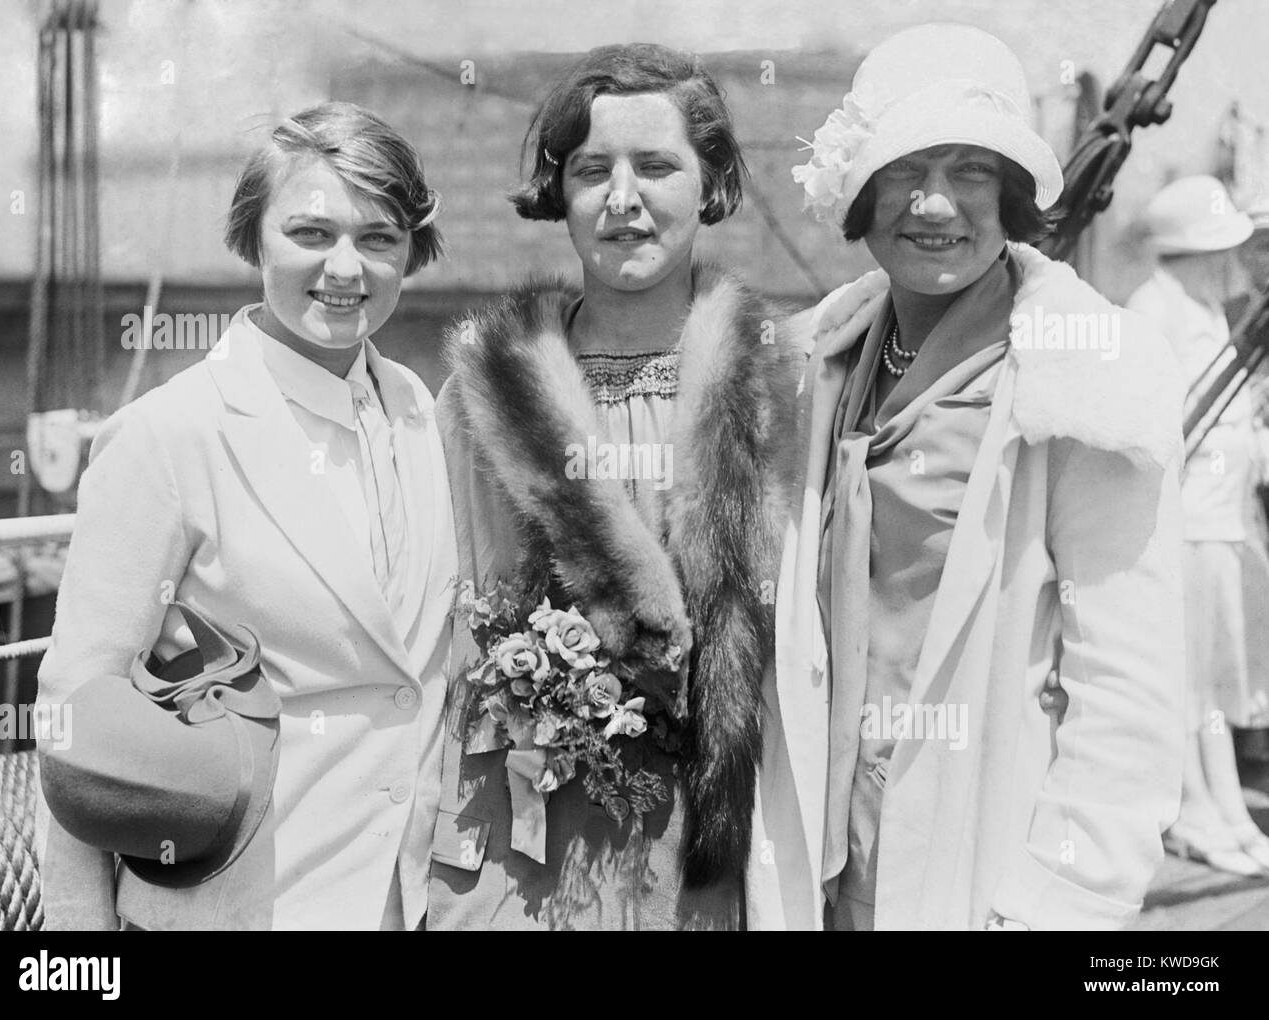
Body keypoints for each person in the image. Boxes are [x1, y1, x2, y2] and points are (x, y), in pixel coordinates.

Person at [752, 23, 1187, 930]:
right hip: (824, 878)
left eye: (972, 171)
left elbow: (1129, 686)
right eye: (906, 170)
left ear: (1016, 195)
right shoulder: (815, 363)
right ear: (860, 196)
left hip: (983, 876)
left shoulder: (1084, 374)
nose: (936, 205)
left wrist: (1061, 903)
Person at [34, 101, 457, 930]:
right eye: (310, 233)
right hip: (244, 908)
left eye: (379, 238)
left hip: (409, 900)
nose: (347, 268)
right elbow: (74, 711)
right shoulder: (169, 434)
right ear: (252, 238)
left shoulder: (414, 404)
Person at [425, 43, 807, 930]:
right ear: (558, 192)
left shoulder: (781, 382)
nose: (624, 199)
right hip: (522, 834)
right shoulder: (485, 393)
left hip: (715, 845)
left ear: (710, 185)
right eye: (593, 170)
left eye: (659, 166)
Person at [1127, 176, 1269, 874]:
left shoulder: (1206, 309)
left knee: (1211, 679)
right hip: (1181, 525)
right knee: (1181, 680)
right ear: (1196, 250)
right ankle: (1188, 809)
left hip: (1223, 522)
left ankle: (1226, 805)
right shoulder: (1155, 312)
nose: (1239, 261)